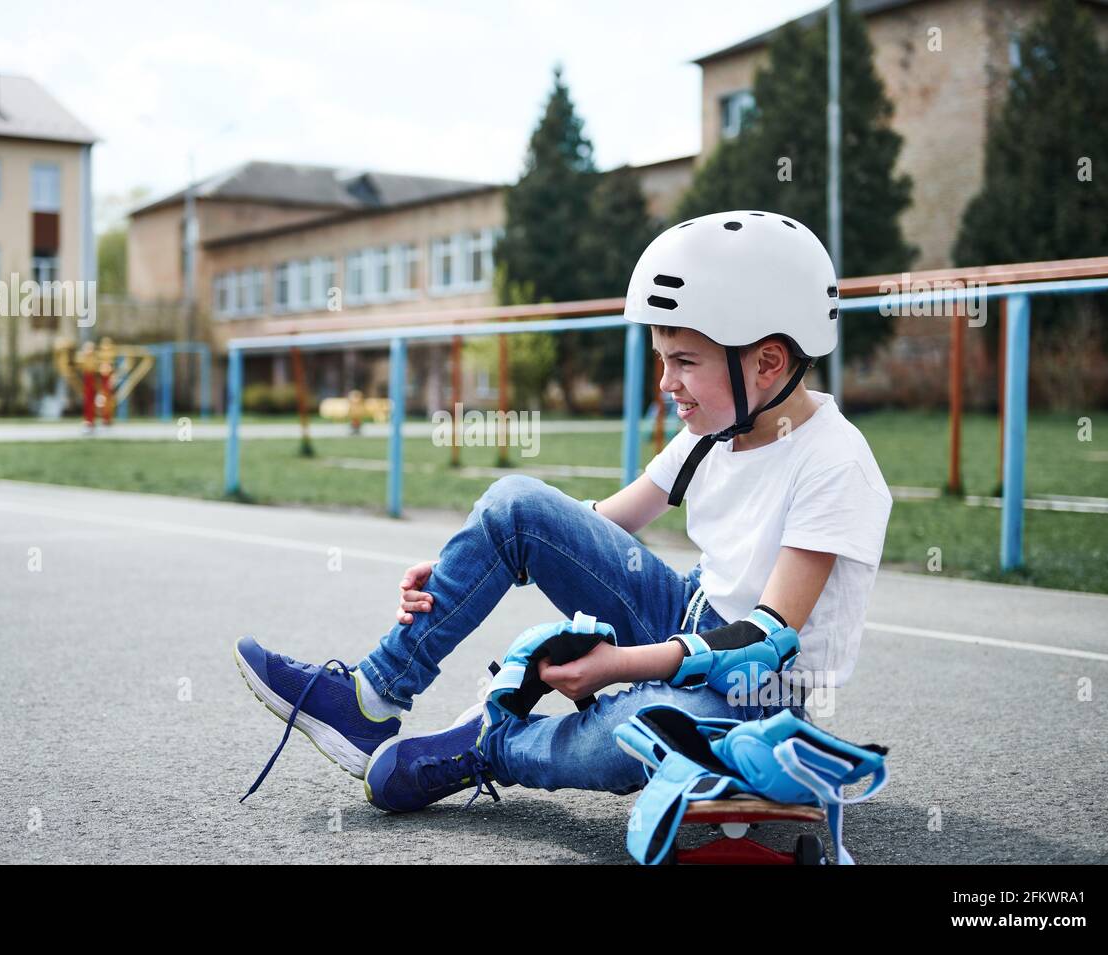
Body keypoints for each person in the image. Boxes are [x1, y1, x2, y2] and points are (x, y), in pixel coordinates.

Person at [234, 210, 892, 813]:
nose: (666, 384)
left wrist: (618, 666)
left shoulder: (833, 463)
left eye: (684, 361)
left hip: (753, 693)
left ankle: (493, 742)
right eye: (663, 360)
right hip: (682, 615)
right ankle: (370, 696)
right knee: (513, 504)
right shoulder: (713, 430)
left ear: (768, 361)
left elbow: (762, 641)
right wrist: (469, 557)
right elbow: (595, 526)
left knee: (639, 731)